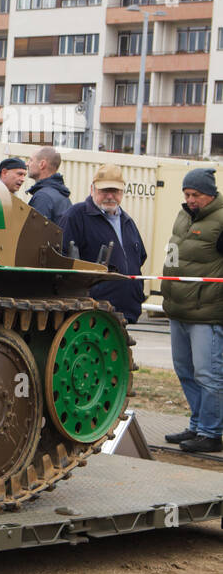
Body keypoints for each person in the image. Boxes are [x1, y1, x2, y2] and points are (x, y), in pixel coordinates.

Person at [162, 167, 223, 454]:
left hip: (206, 312)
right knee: (185, 371)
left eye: (195, 194)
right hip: (178, 309)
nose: (190, 199)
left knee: (208, 375)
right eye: (186, 194)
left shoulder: (221, 221)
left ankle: (211, 432)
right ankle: (198, 423)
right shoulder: (184, 215)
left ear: (210, 194)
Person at [59, 164, 146, 323]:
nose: (110, 196)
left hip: (125, 312)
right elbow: (61, 259)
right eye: (105, 191)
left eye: (115, 191)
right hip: (91, 313)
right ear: (92, 189)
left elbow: (139, 258)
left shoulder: (127, 221)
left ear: (122, 192)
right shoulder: (76, 216)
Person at [25, 146, 71, 224]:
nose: (27, 164)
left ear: (42, 164)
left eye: (31, 160)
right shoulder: (63, 196)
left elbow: (35, 233)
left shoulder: (43, 197)